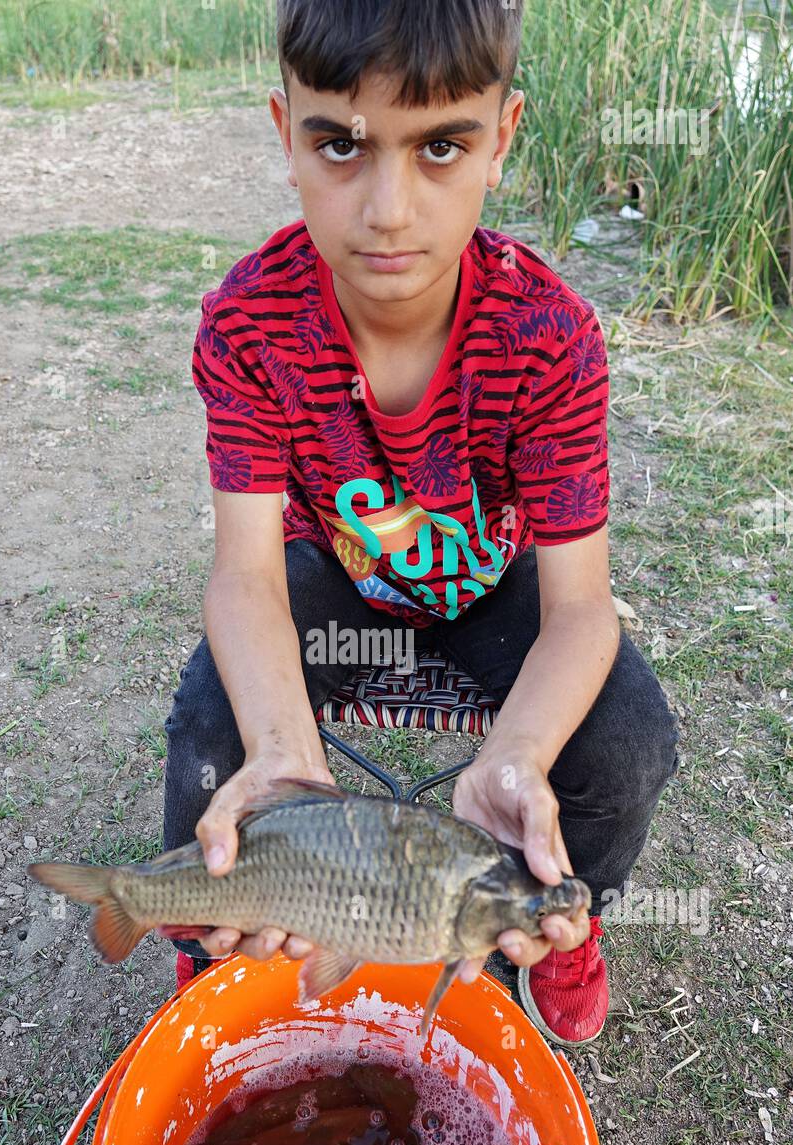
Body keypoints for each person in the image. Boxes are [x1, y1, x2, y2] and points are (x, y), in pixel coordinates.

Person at [160, 0, 681, 1047]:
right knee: (207, 734)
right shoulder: (248, 322)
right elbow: (246, 577)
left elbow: (581, 611)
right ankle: (202, 927)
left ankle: (558, 913)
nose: (387, 209)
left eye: (439, 145)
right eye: (340, 145)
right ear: (284, 132)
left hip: (494, 588)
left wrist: (514, 756)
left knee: (626, 745)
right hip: (331, 583)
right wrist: (283, 754)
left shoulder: (549, 334)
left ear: (501, 139)